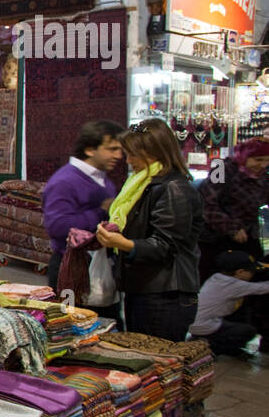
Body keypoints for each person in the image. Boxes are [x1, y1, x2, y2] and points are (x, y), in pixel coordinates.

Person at [95, 118, 202, 342]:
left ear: (154, 152)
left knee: (157, 362)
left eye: (133, 154)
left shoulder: (174, 188)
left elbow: (165, 245)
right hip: (146, 288)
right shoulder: (144, 184)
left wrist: (120, 243)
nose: (129, 160)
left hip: (165, 295)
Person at [42, 120, 124, 319]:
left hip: (97, 267)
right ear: (89, 149)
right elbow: (57, 226)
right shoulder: (65, 181)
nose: (118, 156)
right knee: (71, 327)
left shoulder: (101, 178)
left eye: (120, 150)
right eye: (111, 149)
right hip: (71, 271)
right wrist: (101, 213)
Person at [198, 137, 269, 280]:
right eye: (258, 159)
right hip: (216, 238)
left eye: (267, 160)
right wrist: (232, 227)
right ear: (245, 156)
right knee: (215, 278)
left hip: (248, 235)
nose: (263, 164)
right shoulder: (222, 169)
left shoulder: (263, 176)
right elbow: (206, 203)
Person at [189, 251, 269, 356]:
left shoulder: (216, 277)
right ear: (240, 272)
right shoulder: (235, 285)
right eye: (252, 271)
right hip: (206, 326)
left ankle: (199, 338)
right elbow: (264, 288)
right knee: (248, 331)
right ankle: (210, 347)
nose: (253, 274)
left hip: (194, 324)